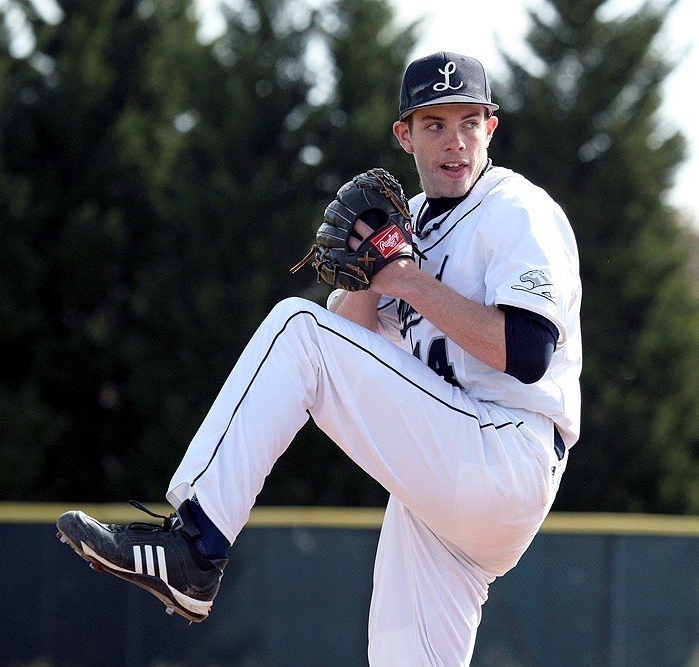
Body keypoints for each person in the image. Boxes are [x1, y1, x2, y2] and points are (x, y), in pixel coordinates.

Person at [57, 51, 582, 665]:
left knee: (296, 326)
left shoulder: (518, 210)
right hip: (447, 482)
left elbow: (526, 352)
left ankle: (195, 548)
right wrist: (365, 274)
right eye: (434, 124)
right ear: (404, 135)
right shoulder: (407, 224)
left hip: (507, 456)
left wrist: (406, 280)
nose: (454, 141)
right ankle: (194, 550)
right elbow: (346, 351)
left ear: (491, 128)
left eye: (469, 122)